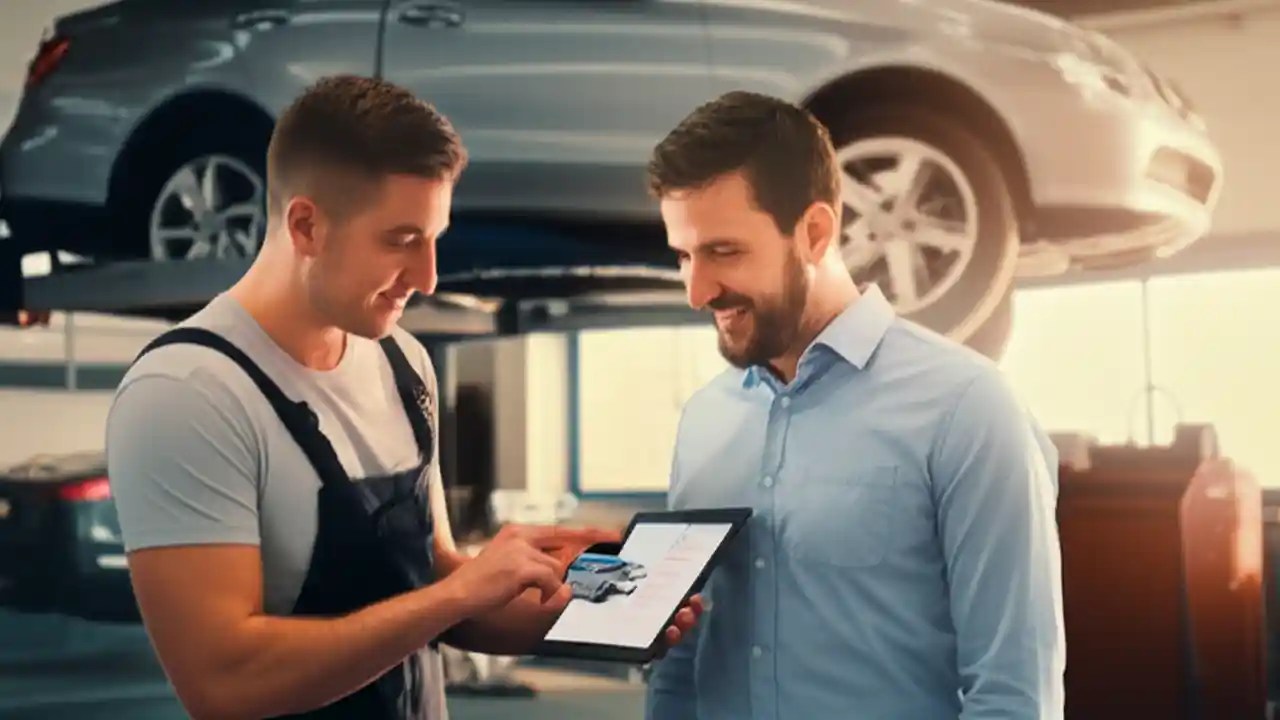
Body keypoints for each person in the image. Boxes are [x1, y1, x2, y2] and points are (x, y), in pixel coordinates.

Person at [104, 75, 700, 720]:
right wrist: (462, 592)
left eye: (434, 237)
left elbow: (435, 586)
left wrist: (584, 603)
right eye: (401, 240)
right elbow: (224, 683)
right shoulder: (189, 394)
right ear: (306, 225)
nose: (428, 276)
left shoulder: (402, 362)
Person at [643, 91, 1066, 719]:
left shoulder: (968, 408)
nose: (697, 290)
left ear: (814, 232)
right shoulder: (704, 420)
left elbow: (1014, 694)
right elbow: (679, 666)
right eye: (683, 256)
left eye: (723, 252)